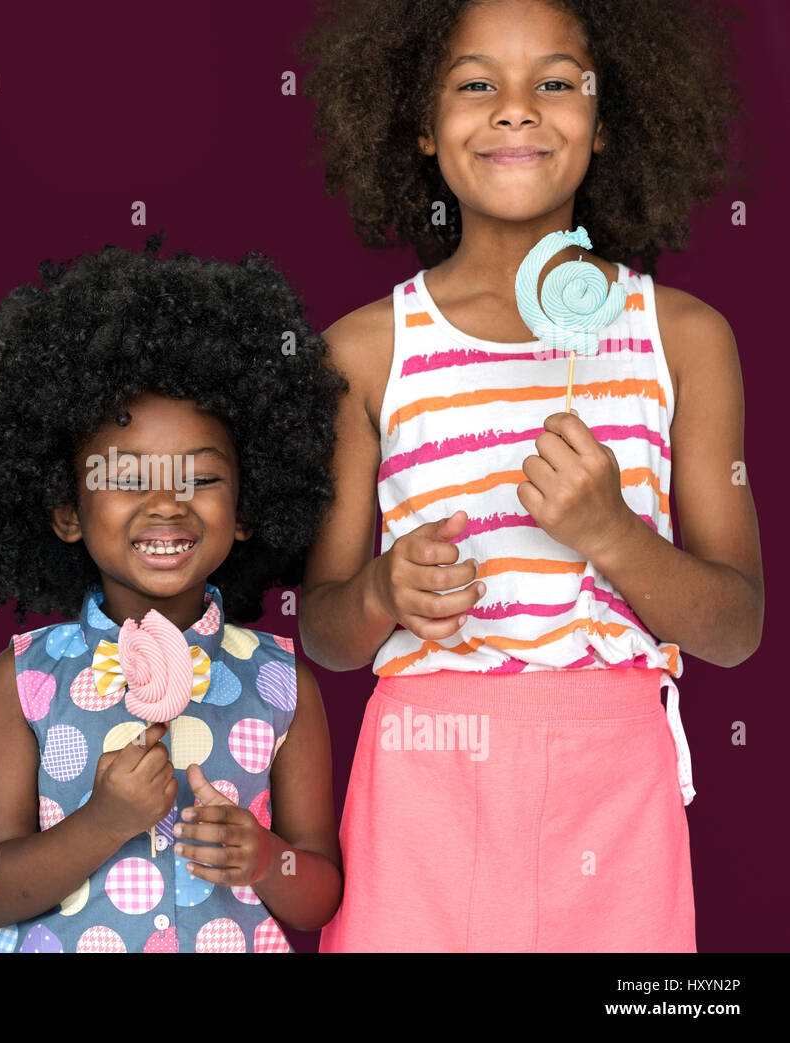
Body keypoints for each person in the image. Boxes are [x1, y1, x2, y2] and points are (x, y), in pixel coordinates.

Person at [297, 0, 761, 951]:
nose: (516, 109)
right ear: (423, 127)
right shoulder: (365, 351)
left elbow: (738, 627)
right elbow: (325, 634)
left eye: (556, 81)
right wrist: (384, 588)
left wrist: (613, 534)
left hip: (615, 794)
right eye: (476, 85)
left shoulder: (684, 339)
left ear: (605, 116)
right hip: (422, 785)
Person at [0, 239, 347, 952]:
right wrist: (103, 819)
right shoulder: (25, 679)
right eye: (125, 478)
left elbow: (319, 894)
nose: (166, 504)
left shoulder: (281, 684)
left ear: (248, 508)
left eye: (202, 479)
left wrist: (264, 855)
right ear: (64, 509)